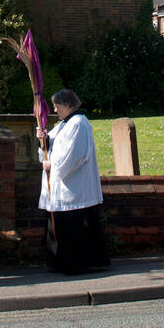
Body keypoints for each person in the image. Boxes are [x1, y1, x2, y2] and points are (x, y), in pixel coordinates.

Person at [38, 89, 109, 274]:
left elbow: (74, 156)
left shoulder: (79, 123)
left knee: (75, 229)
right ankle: (60, 261)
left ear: (67, 104)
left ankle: (77, 263)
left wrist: (52, 166)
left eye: (57, 105)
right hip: (63, 188)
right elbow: (50, 145)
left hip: (74, 187)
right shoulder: (63, 124)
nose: (55, 109)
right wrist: (44, 140)